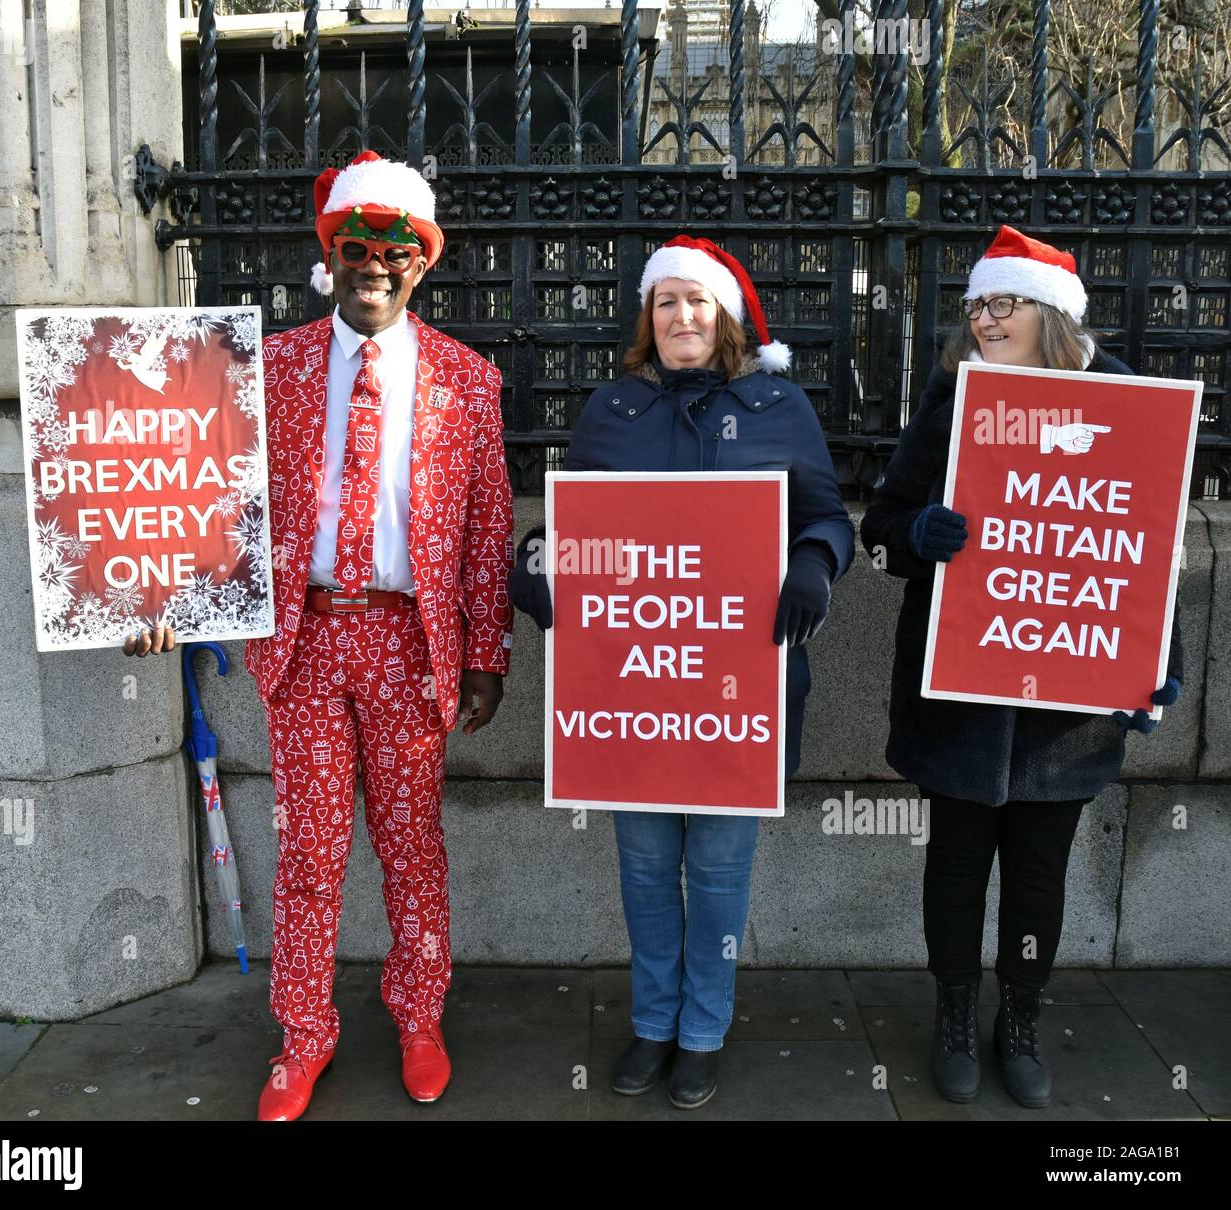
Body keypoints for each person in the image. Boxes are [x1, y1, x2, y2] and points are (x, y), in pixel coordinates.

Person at [130, 149, 514, 1119]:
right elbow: (208, 497)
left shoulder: (467, 382)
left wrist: (485, 657)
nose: (375, 264)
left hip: (405, 645)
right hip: (302, 641)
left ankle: (418, 1013)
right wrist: (160, 596)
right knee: (307, 852)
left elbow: (484, 532)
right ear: (331, 253)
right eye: (357, 245)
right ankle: (303, 1034)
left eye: (399, 248)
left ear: (423, 261)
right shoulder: (269, 369)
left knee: (412, 845)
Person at [512, 235, 854, 1109]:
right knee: (642, 865)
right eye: (665, 303)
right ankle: (652, 1021)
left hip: (740, 688)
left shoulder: (779, 406)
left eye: (696, 301)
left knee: (719, 870)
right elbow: (571, 526)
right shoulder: (612, 409)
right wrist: (540, 564)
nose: (680, 317)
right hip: (633, 689)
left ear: (726, 316)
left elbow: (827, 515)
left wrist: (813, 560)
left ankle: (704, 1028)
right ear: (648, 320)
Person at [860, 225, 1182, 1109]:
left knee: (1040, 873)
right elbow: (881, 524)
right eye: (977, 306)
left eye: (1002, 303)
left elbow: (1145, 547)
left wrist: (1159, 661)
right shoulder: (952, 394)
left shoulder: (1121, 400)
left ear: (1048, 313)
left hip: (1069, 704)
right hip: (961, 693)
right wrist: (918, 537)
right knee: (957, 865)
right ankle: (957, 1012)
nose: (986, 319)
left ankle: (1024, 1016)